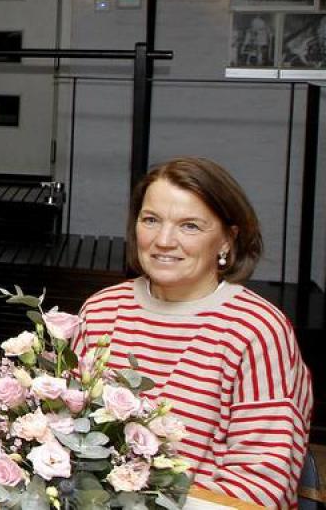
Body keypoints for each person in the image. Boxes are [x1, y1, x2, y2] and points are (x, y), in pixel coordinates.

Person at [76, 158, 313, 509]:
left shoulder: (258, 330)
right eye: (151, 220)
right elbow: (66, 433)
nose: (164, 241)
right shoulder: (101, 310)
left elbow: (263, 484)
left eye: (189, 226)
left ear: (227, 240)